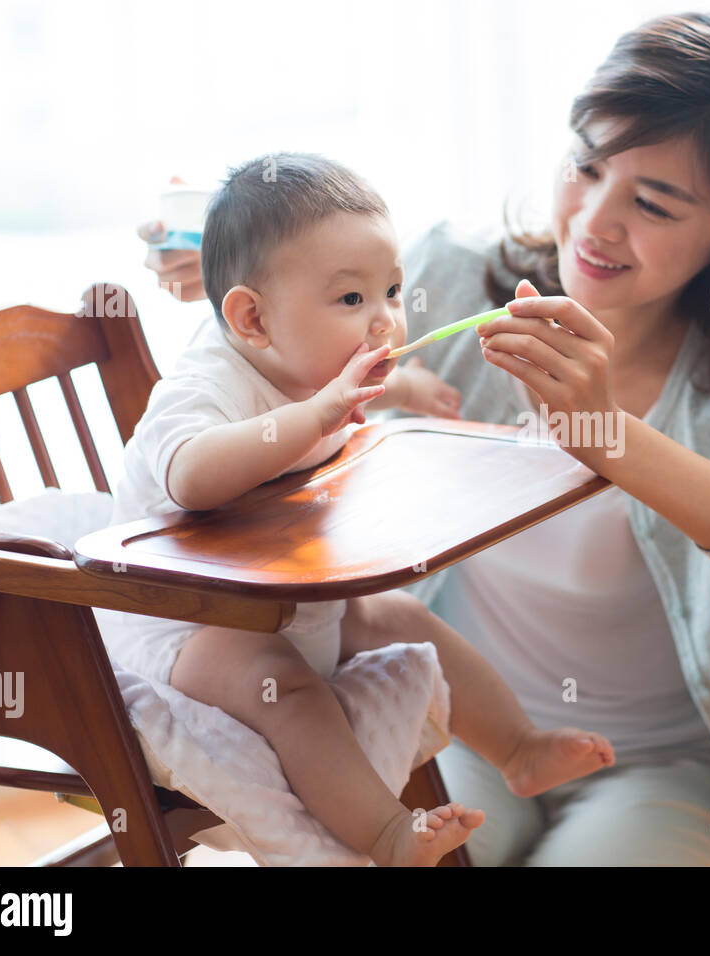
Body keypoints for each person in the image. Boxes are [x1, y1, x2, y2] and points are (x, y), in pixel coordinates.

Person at [139, 12, 710, 866]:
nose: (594, 222)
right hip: (455, 718)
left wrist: (605, 436)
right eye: (585, 165)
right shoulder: (452, 279)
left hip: (664, 770)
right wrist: (242, 284)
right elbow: (272, 365)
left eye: (654, 202)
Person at [105, 152, 615, 867]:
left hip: (285, 596)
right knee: (287, 692)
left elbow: (354, 387)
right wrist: (317, 415)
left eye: (393, 291)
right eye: (352, 301)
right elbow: (189, 476)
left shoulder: (308, 363)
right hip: (185, 624)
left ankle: (519, 750)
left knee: (407, 618)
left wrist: (402, 391)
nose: (384, 322)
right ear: (252, 318)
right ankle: (386, 835)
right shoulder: (206, 385)